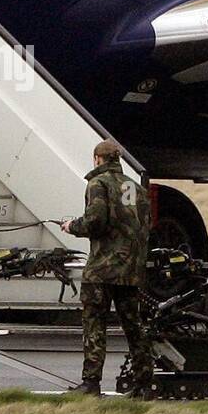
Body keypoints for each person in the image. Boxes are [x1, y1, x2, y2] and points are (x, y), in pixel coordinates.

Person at [60, 139, 153, 397]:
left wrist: (72, 226)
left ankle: (91, 383)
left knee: (94, 324)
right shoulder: (135, 188)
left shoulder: (97, 184)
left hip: (102, 268)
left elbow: (95, 221)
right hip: (130, 269)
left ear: (97, 159)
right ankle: (144, 383)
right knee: (133, 325)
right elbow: (145, 224)